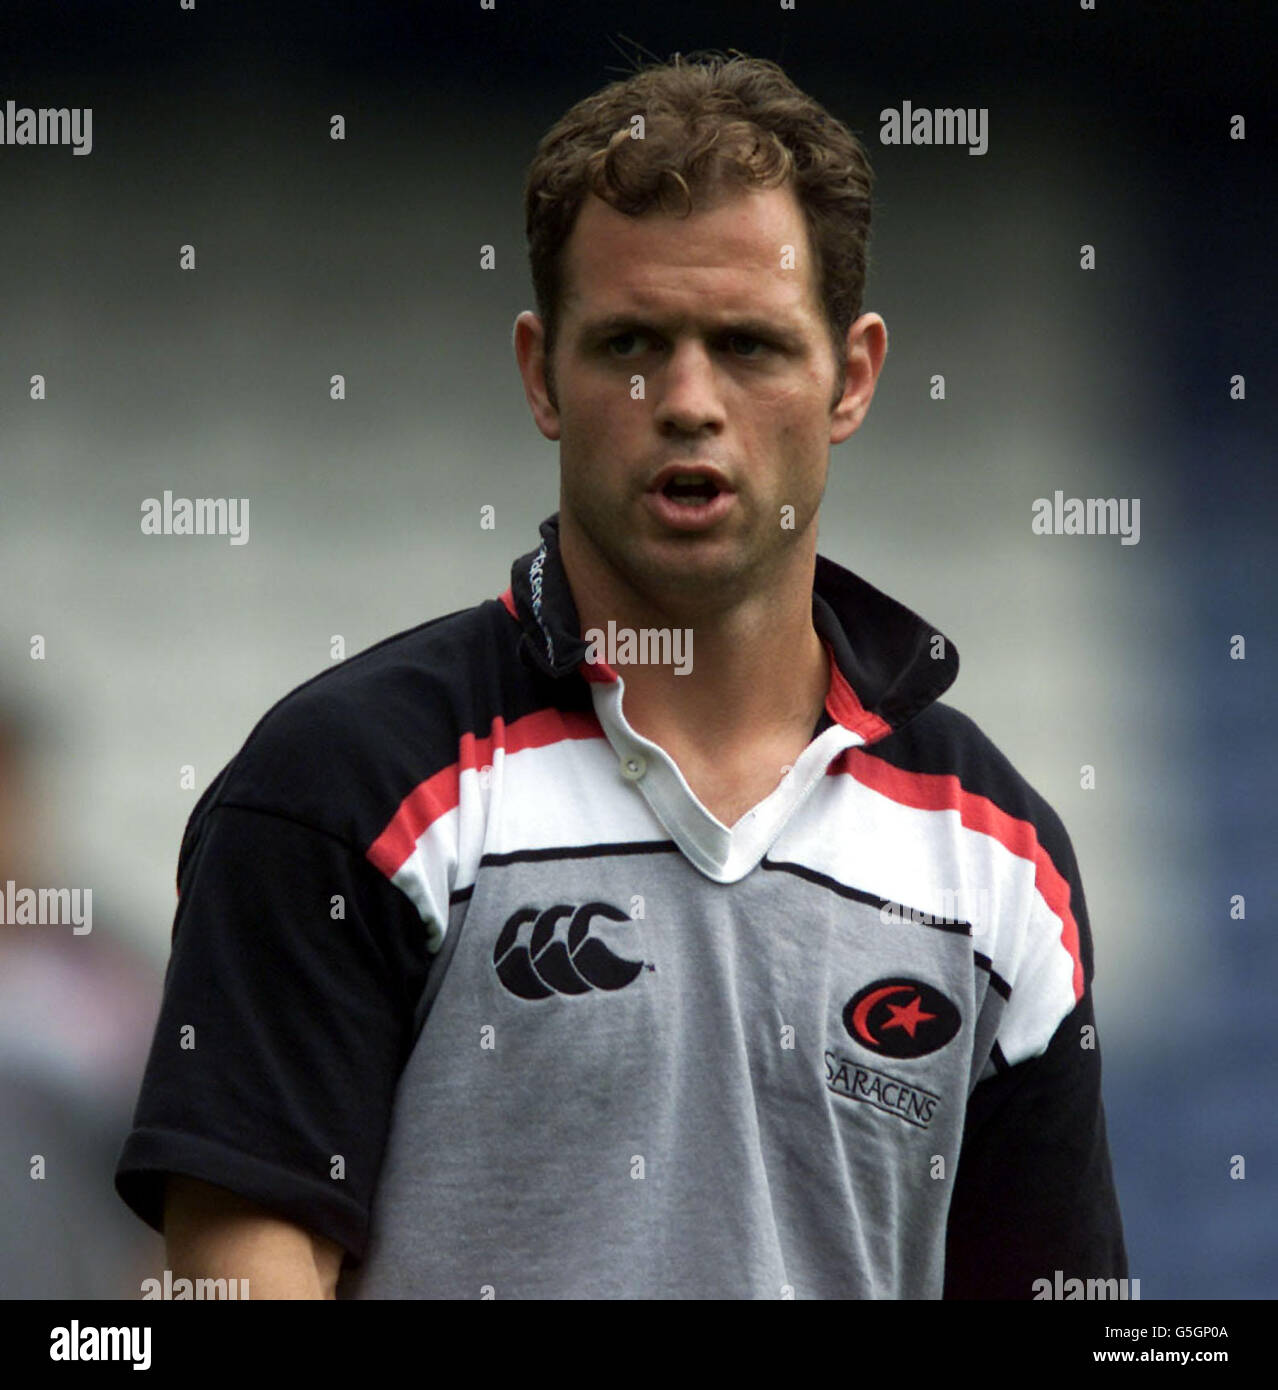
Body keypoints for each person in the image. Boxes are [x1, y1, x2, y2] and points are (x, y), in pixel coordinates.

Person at [114, 51, 1127, 1299]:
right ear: (543, 372)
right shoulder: (344, 786)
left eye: (751, 346)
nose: (688, 400)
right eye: (633, 343)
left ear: (852, 377)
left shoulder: (998, 852)